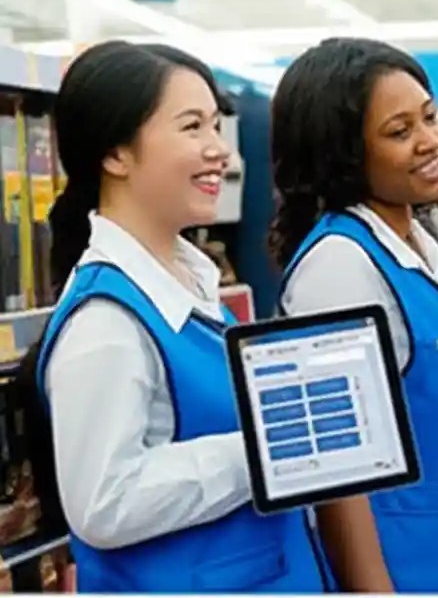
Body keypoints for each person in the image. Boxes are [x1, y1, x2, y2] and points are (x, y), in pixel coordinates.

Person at [15, 41, 328, 592]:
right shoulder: (105, 324)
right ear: (116, 154)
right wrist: (263, 446)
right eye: (191, 128)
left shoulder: (191, 284)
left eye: (215, 127)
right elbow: (104, 504)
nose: (220, 154)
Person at [270, 37, 438, 592]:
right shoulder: (338, 267)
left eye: (429, 118)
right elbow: (335, 474)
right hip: (410, 573)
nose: (430, 141)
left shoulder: (417, 250)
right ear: (344, 155)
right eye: (399, 131)